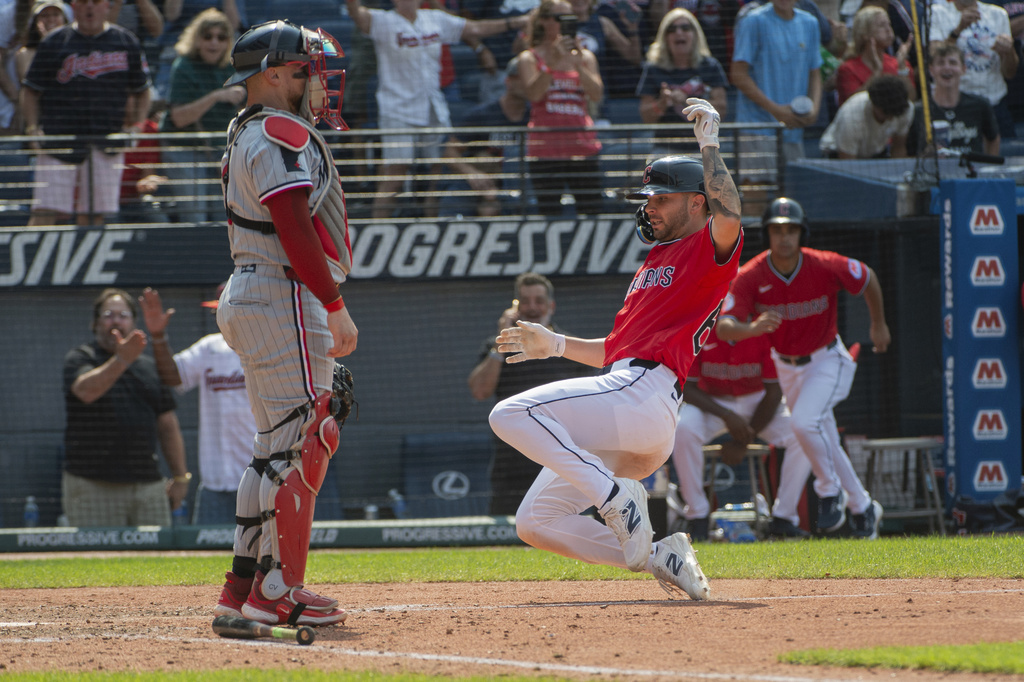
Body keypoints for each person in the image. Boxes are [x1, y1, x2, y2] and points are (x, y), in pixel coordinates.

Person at [488, 97, 742, 600]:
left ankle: (615, 497)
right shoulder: (654, 261)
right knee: (535, 522)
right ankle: (660, 555)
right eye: (648, 198)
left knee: (508, 414)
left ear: (697, 202)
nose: (649, 206)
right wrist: (554, 344)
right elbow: (614, 350)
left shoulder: (709, 247)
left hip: (644, 393)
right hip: (630, 403)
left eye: (661, 198)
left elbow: (730, 210)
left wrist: (710, 147)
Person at [212, 19, 357, 627]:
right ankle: (277, 590)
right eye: (303, 71)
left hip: (258, 289)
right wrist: (334, 304)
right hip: (282, 291)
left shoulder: (249, 129)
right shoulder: (275, 129)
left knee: (273, 450)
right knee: (305, 439)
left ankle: (243, 589)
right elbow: (293, 222)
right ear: (272, 75)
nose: (314, 82)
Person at [715, 197, 889, 539]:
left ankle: (829, 490)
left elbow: (867, 277)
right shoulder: (752, 274)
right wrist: (752, 328)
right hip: (787, 366)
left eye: (791, 229)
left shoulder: (822, 264)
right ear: (767, 233)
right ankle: (863, 507)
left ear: (801, 232)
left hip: (828, 360)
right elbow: (724, 326)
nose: (784, 237)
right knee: (819, 434)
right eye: (778, 230)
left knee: (805, 424)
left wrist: (878, 324)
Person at [345, 0, 528, 220]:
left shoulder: (435, 19)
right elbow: (356, 14)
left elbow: (476, 28)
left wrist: (520, 21)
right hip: (397, 108)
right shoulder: (383, 21)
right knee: (395, 173)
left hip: (433, 107)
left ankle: (433, 224)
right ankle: (377, 229)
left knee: (437, 172)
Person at [467, 273, 596, 515]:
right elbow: (480, 390)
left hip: (562, 462)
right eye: (525, 302)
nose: (533, 308)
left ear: (551, 306)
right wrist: (499, 344)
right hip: (511, 465)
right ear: (515, 307)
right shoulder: (499, 347)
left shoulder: (571, 348)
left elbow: (594, 407)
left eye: (539, 301)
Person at [672, 324, 814, 541]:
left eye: (735, 312)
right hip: (712, 403)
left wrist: (743, 442)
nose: (728, 316)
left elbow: (774, 393)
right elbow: (687, 389)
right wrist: (727, 415)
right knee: (683, 429)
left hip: (757, 401)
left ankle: (784, 518)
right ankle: (698, 515)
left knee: (802, 432)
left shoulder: (763, 331)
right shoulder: (701, 330)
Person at [62, 288, 190, 528]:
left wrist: (181, 477)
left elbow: (168, 425)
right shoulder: (81, 358)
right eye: (109, 314)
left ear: (133, 322)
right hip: (93, 486)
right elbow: (85, 391)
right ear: (96, 322)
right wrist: (122, 360)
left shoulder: (149, 367)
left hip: (148, 488)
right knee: (95, 563)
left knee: (158, 561)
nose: (116, 321)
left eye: (123, 315)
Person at [20, 0, 151, 226]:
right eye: (83, 2)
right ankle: (34, 260)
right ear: (74, 6)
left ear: (107, 6)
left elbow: (143, 91)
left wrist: (137, 125)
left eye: (96, 2)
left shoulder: (125, 40)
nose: (89, 7)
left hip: (106, 142)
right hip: (58, 141)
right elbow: (30, 91)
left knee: (94, 215)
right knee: (45, 212)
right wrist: (32, 128)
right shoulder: (55, 41)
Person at [140, 285, 257, 525]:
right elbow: (173, 376)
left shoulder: (266, 348)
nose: (220, 319)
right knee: (207, 557)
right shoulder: (210, 347)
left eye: (225, 311)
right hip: (215, 483)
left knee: (262, 554)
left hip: (260, 481)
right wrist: (158, 337)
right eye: (216, 313)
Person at [517, 0, 605, 216]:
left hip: (582, 146)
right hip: (545, 149)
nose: (566, 24)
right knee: (549, 213)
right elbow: (534, 94)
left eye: (570, 20)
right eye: (560, 19)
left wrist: (577, 64)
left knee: (591, 211)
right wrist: (553, 62)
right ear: (545, 21)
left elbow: (597, 94)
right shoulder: (529, 58)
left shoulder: (585, 57)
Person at [159, 8, 245, 223]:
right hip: (185, 149)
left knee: (224, 215)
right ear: (197, 39)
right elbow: (179, 118)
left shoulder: (232, 69)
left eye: (221, 37)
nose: (214, 43)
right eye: (207, 36)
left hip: (221, 152)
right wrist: (216, 96)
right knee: (194, 216)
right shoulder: (184, 66)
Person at [729, 0, 821, 200]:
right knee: (756, 197)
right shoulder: (752, 21)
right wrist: (776, 111)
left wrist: (814, 109)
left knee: (792, 202)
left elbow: (815, 72)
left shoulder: (810, 23)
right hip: (757, 129)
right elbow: (738, 74)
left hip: (793, 130)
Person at [441, 55, 530, 218]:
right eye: (524, 77)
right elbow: (449, 152)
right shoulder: (483, 114)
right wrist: (471, 173)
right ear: (509, 81)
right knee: (455, 198)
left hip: (518, 182)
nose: (529, 83)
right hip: (482, 181)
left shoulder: (536, 116)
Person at [636, 7, 727, 154]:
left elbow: (722, 110)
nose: (679, 32)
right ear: (665, 37)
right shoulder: (654, 69)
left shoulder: (710, 66)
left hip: (704, 147)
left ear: (695, 34)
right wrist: (662, 103)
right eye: (672, 29)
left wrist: (687, 101)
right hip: (665, 148)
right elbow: (645, 117)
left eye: (685, 28)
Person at [928, 0, 1019, 139]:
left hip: (994, 103)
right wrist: (958, 30)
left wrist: (1009, 50)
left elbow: (1009, 73)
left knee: (1003, 156)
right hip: (956, 106)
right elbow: (934, 58)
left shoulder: (997, 14)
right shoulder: (938, 13)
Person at [906, 40, 1000, 157]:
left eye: (953, 63)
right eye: (940, 63)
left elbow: (993, 139)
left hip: (970, 173)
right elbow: (908, 153)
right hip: (934, 173)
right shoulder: (919, 111)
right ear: (931, 70)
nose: (947, 68)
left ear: (963, 69)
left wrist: (988, 168)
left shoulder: (980, 105)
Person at [835, 6, 914, 106]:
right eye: (881, 25)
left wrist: (902, 67)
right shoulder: (847, 69)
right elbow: (854, 105)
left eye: (889, 24)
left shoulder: (898, 64)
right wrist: (877, 72)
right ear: (865, 34)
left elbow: (911, 100)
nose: (888, 30)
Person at [819, 73, 912, 158]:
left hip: (874, 152)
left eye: (894, 114)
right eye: (887, 113)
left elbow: (899, 148)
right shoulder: (851, 117)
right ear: (874, 105)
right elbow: (847, 164)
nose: (891, 119)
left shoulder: (905, 110)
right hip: (838, 154)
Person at [569, 0, 642, 101]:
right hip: (566, 94)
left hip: (597, 96)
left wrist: (632, 28)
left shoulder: (603, 24)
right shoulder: (554, 25)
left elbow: (633, 57)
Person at [14, 0, 69, 85]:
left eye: (56, 14)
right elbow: (32, 86)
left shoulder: (75, 48)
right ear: (35, 22)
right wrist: (48, 43)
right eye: (44, 15)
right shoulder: (24, 54)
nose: (51, 19)